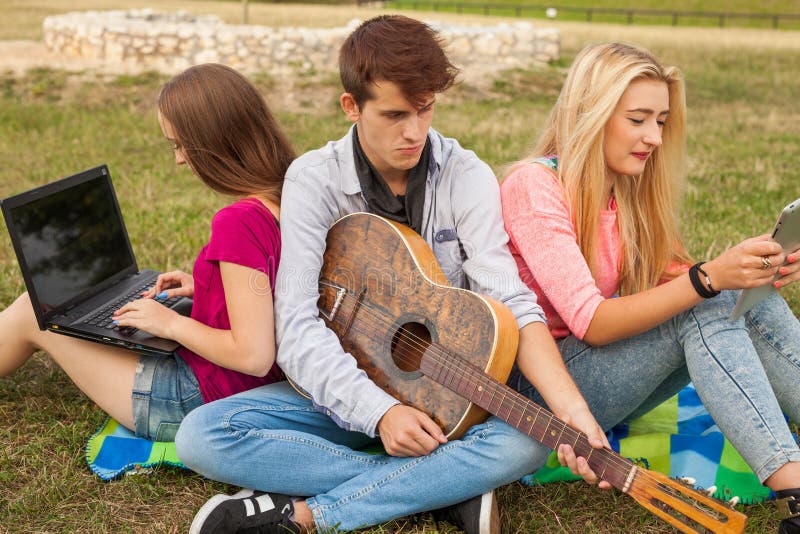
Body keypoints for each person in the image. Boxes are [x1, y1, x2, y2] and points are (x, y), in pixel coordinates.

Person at [176, 15, 610, 534]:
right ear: (351, 106)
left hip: (452, 394)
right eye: (395, 114)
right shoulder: (313, 180)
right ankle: (447, 490)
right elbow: (294, 326)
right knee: (203, 434)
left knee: (533, 435)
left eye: (425, 110)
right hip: (341, 385)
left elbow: (510, 299)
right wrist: (379, 413)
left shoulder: (465, 174)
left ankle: (344, 506)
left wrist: (572, 411)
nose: (415, 132)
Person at [500, 42, 800, 533]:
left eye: (660, 121)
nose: (655, 137)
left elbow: (681, 276)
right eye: (638, 119)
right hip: (537, 392)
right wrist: (708, 278)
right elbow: (592, 323)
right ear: (591, 114)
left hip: (595, 377)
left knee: (727, 301)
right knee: (702, 302)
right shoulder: (533, 187)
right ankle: (795, 488)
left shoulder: (624, 189)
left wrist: (755, 268)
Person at [0, 63, 294, 443]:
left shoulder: (239, 220)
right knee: (69, 311)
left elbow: (254, 355)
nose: (179, 159)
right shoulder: (288, 192)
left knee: (31, 311)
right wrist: (208, 287)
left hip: (191, 399)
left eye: (179, 144)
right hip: (236, 388)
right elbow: (270, 288)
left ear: (214, 140)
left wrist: (171, 324)